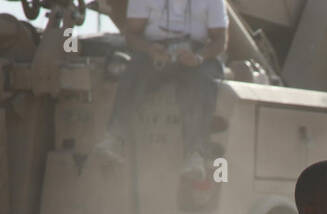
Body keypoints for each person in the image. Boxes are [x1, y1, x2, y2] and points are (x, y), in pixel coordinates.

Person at [94, 0, 228, 180]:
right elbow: (132, 35)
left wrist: (199, 57)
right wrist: (149, 49)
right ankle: (115, 139)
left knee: (203, 82)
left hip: (196, 52)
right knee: (133, 71)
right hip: (155, 50)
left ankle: (195, 154)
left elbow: (220, 40)